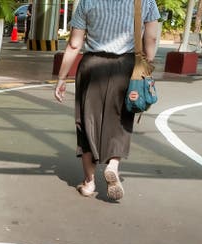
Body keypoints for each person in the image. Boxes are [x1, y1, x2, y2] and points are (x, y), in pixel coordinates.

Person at [54, 0, 160, 201]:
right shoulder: (145, 1)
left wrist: (61, 78)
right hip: (126, 67)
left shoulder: (87, 1)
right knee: (120, 119)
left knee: (86, 122)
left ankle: (89, 182)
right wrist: (147, 63)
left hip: (92, 67)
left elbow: (75, 43)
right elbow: (152, 38)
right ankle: (113, 165)